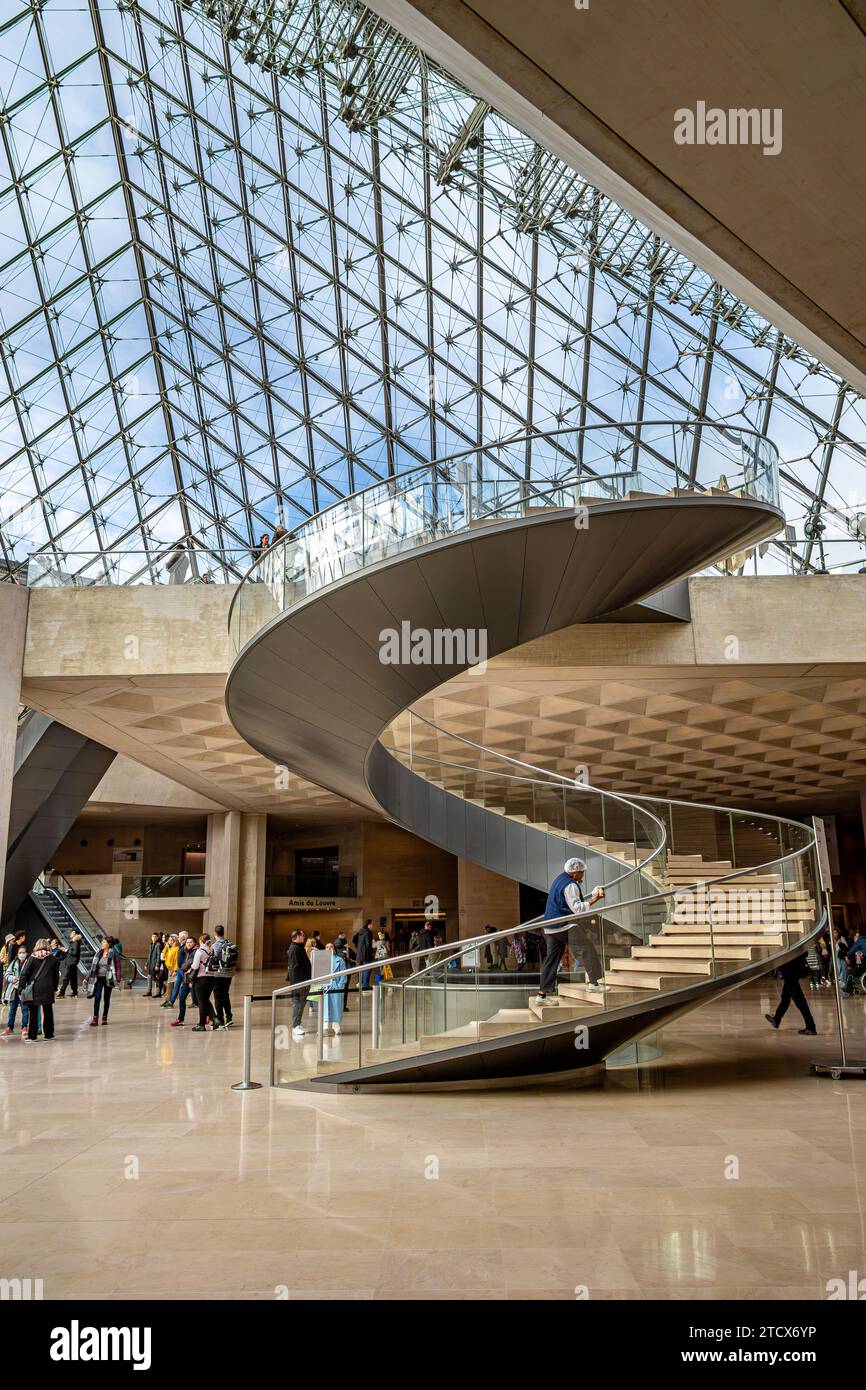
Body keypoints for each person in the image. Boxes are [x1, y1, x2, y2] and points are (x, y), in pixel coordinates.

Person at [534, 858, 605, 1004]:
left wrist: (587, 897)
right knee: (587, 949)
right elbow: (577, 908)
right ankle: (594, 984)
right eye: (582, 873)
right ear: (575, 872)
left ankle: (541, 996)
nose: (583, 876)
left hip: (551, 926)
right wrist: (595, 899)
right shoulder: (570, 885)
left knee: (551, 960)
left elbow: (567, 901)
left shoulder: (559, 879)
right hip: (564, 925)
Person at [18, 939, 60, 1042]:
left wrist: (20, 989)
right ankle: (49, 1035)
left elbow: (24, 974)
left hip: (34, 988)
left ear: (37, 946)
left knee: (33, 1012)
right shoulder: (53, 959)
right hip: (48, 988)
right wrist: (54, 988)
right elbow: (56, 976)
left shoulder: (32, 958)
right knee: (48, 1011)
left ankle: (33, 1037)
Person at [765, 953, 817, 1035]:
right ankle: (776, 1019)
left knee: (801, 1003)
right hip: (790, 974)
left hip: (791, 975)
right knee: (785, 998)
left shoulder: (791, 948)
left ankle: (811, 1027)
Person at [87, 937, 122, 1025]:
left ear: (108, 944)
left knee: (106, 998)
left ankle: (104, 1017)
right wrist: (87, 978)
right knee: (97, 997)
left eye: (104, 942)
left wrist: (117, 978)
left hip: (108, 979)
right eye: (102, 942)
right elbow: (93, 968)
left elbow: (118, 967)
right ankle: (95, 1018)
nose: (102, 944)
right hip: (98, 978)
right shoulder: (98, 953)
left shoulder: (114, 954)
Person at [189, 934, 220, 1033]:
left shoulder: (199, 951)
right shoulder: (212, 950)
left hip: (201, 979)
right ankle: (214, 1018)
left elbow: (195, 965)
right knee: (205, 1000)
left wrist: (189, 968)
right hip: (211, 978)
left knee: (201, 1002)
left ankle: (201, 1025)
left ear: (201, 941)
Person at [209, 924, 236, 1027]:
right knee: (225, 994)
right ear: (223, 932)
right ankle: (229, 1017)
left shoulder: (215, 945)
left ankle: (220, 1019)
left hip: (219, 975)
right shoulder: (230, 943)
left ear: (215, 933)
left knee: (218, 997)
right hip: (229, 974)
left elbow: (214, 960)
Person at [287, 929, 311, 1038]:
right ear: (297, 936)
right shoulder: (294, 949)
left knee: (301, 1003)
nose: (304, 937)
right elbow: (294, 968)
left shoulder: (299, 947)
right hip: (299, 982)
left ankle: (298, 1023)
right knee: (298, 1004)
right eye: (302, 935)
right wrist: (300, 981)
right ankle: (295, 1026)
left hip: (304, 981)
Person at [2, 945, 29, 1035]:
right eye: (20, 952)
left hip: (24, 989)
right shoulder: (14, 963)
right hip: (14, 989)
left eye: (23, 952)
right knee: (12, 1009)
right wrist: (12, 978)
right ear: (17, 954)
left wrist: (24, 980)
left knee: (25, 1009)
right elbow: (7, 975)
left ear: (27, 953)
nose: (21, 954)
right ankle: (10, 1027)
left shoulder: (29, 963)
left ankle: (24, 1027)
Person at [323, 940, 346, 1035]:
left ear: (334, 949)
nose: (329, 948)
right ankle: (324, 1027)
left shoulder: (340, 960)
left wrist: (340, 985)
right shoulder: (322, 960)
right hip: (325, 986)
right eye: (327, 947)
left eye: (331, 947)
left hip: (336, 985)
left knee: (336, 1006)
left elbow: (344, 974)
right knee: (325, 1006)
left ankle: (336, 1026)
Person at [164, 931, 191, 1009]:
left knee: (190, 987)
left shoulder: (186, 946)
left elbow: (186, 959)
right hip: (179, 969)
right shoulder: (181, 945)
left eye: (179, 936)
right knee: (176, 986)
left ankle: (195, 1002)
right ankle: (171, 1002)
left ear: (183, 937)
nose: (178, 938)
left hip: (182, 970)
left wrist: (176, 970)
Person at [57, 932, 81, 997]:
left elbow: (75, 952)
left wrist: (65, 950)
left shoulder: (75, 942)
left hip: (71, 963)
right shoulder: (74, 942)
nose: (70, 933)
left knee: (66, 978)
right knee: (73, 978)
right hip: (72, 962)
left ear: (76, 934)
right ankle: (75, 992)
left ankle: (62, 993)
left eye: (72, 932)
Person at [354, 919, 373, 990]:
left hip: (359, 953)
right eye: (372, 924)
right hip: (366, 954)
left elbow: (355, 940)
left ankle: (360, 983)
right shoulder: (367, 932)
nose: (372, 926)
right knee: (367, 970)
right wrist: (372, 951)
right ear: (369, 925)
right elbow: (368, 944)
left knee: (361, 969)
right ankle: (365, 985)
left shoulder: (360, 931)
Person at [145, 933, 165, 997]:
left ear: (157, 937)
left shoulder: (158, 945)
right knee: (149, 977)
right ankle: (149, 991)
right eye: (153, 936)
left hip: (154, 964)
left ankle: (163, 986)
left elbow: (159, 955)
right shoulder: (151, 944)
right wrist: (146, 964)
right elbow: (149, 955)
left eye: (155, 936)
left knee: (154, 978)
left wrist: (157, 965)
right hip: (150, 964)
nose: (154, 937)